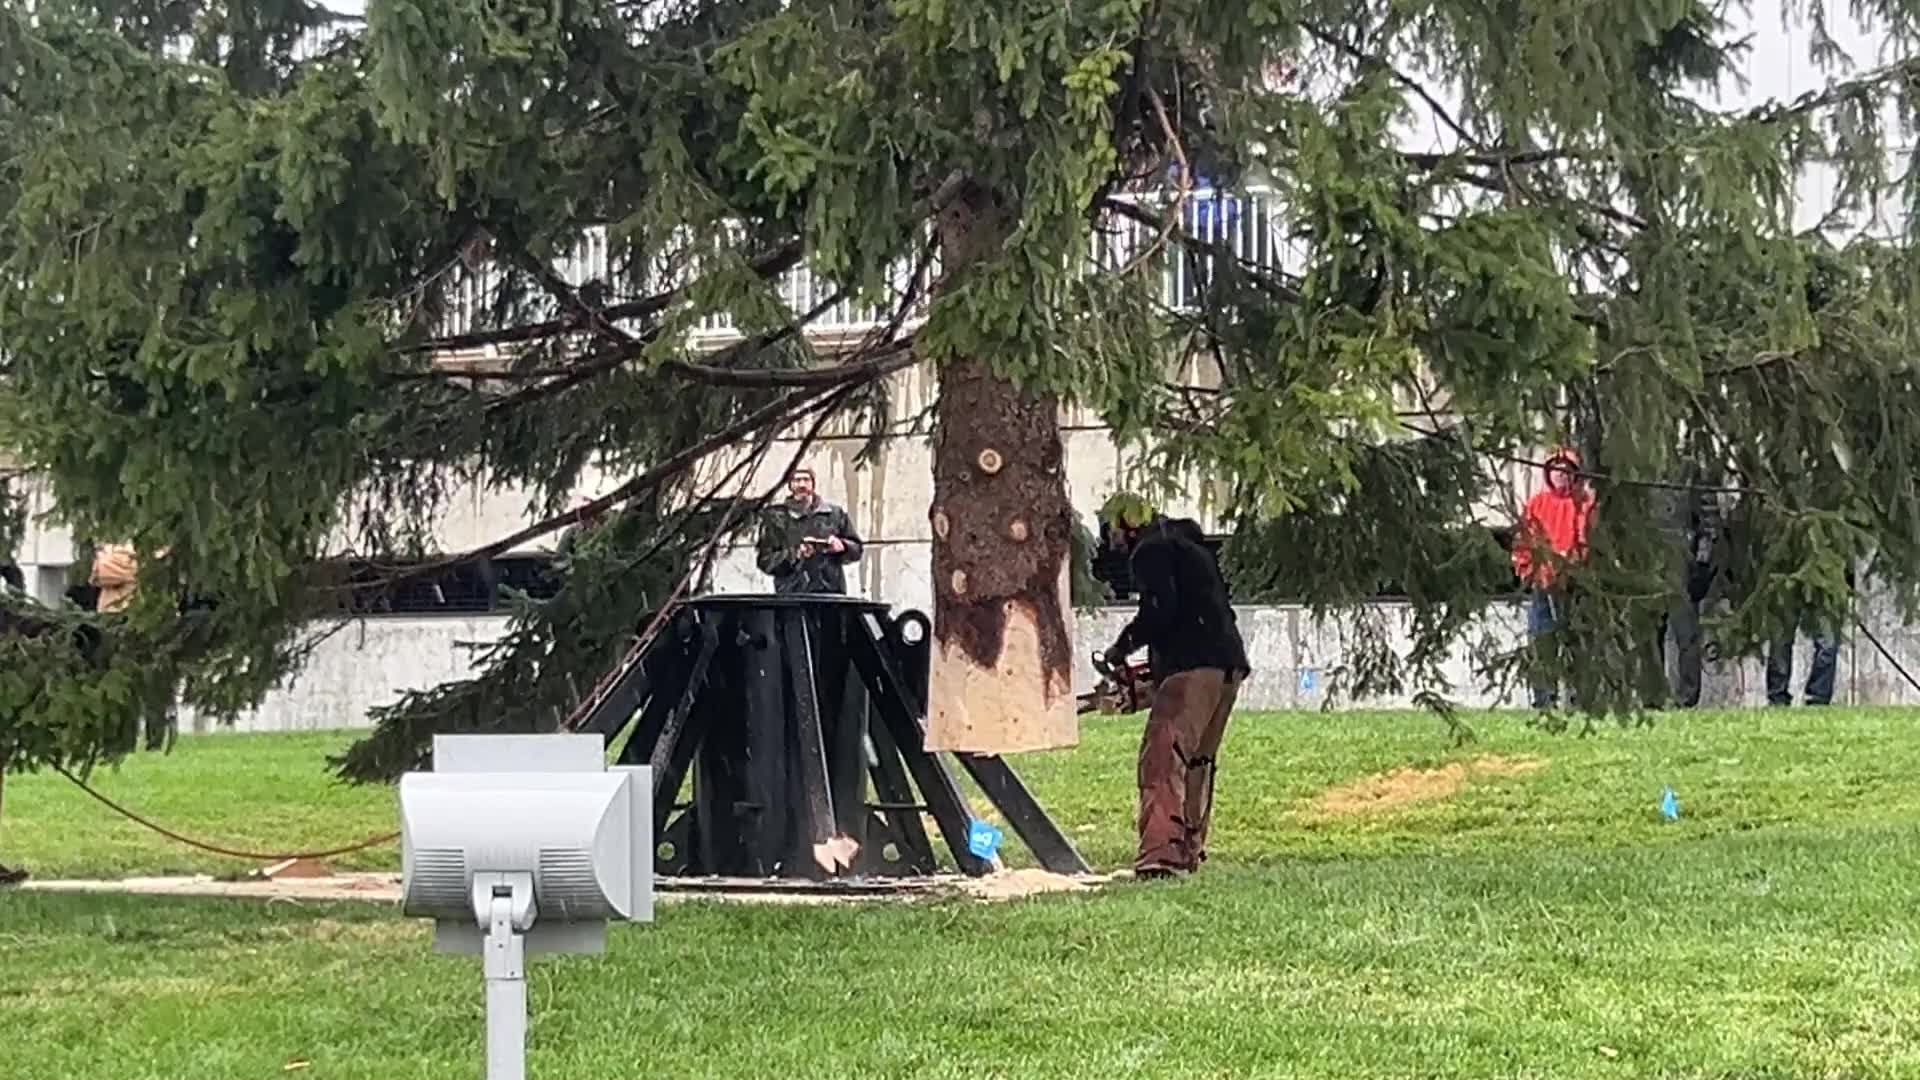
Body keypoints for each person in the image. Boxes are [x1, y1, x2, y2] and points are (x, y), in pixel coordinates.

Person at [1100, 495, 1251, 879]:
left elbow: (1159, 611)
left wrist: (1122, 647)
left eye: (1115, 529)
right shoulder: (1192, 549)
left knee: (1163, 757)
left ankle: (1159, 856)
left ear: (1129, 525)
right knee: (1198, 760)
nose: (1113, 539)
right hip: (1227, 664)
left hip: (1191, 666)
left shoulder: (1151, 551)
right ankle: (1189, 849)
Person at [1511, 447, 1595, 710]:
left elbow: (1588, 542)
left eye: (1566, 471)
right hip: (1542, 585)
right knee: (1542, 640)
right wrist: (1529, 571)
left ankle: (1577, 698)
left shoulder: (1585, 504)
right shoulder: (1537, 503)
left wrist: (1573, 566)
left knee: (1576, 641)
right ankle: (1543, 700)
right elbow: (1524, 543)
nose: (1561, 476)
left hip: (1573, 585)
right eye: (1556, 471)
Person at [1654, 471, 1723, 708]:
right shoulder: (1641, 469)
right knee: (1650, 637)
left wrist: (1703, 565)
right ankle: (1652, 696)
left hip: (1683, 568)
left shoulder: (1691, 475)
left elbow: (1709, 525)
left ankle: (1687, 698)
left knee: (1687, 636)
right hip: (1650, 567)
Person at [755, 466, 863, 594]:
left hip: (830, 593)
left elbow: (857, 549)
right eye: (797, 480)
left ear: (813, 484)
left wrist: (842, 546)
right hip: (791, 596)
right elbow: (765, 561)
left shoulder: (834, 514)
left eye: (806, 480)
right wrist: (795, 554)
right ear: (790, 485)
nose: (802, 485)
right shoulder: (776, 518)